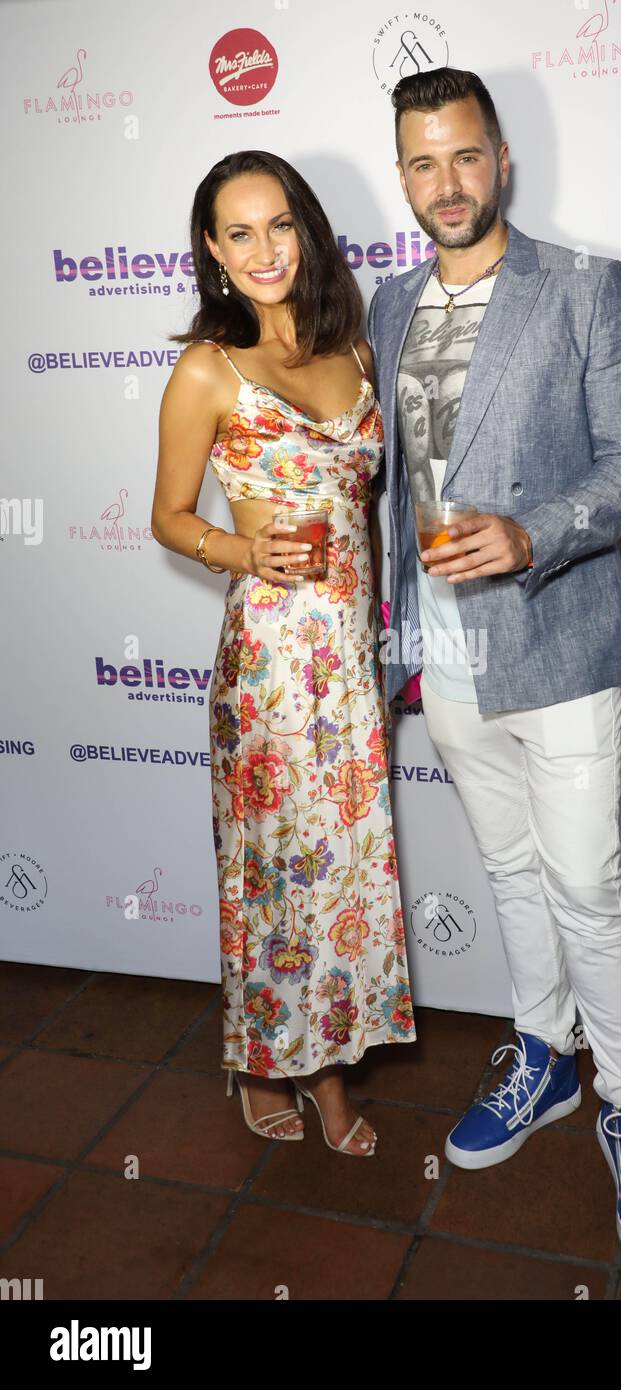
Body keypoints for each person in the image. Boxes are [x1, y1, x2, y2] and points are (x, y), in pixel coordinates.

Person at [367, 69, 621, 1272]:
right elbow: (381, 484)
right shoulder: (389, 300)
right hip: (442, 652)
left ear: (501, 161)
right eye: (420, 161)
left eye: (463, 157)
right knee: (509, 868)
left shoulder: (582, 287)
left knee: (585, 887)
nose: (444, 184)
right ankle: (541, 1058)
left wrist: (534, 532)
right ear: (402, 173)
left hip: (556, 637)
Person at [151, 150, 416, 1158]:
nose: (263, 250)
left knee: (347, 873)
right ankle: (274, 1064)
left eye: (279, 226)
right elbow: (170, 517)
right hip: (267, 663)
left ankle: (326, 1063)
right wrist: (243, 548)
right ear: (214, 252)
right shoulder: (207, 369)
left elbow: (371, 516)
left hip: (348, 662)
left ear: (305, 232)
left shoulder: (352, 352)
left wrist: (387, 637)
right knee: (273, 872)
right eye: (238, 232)